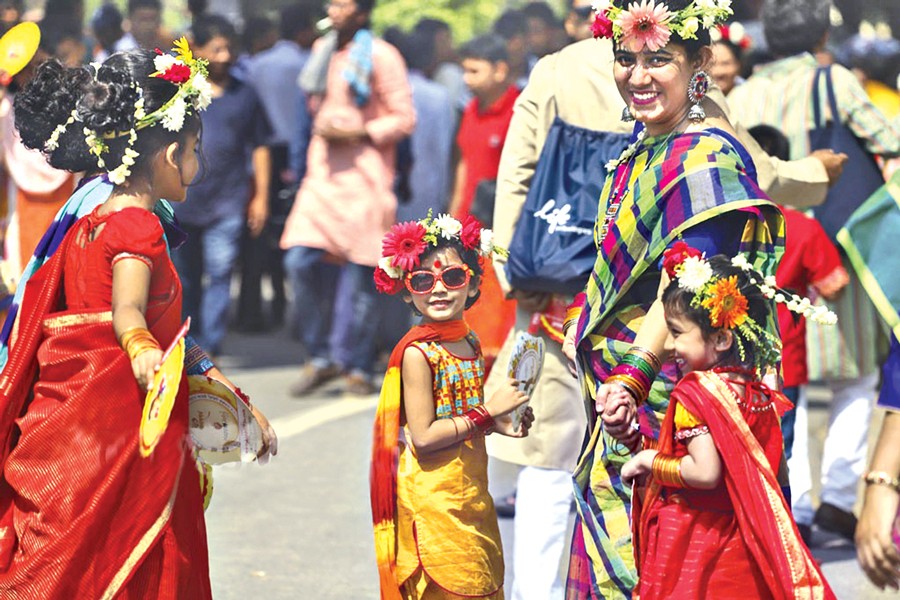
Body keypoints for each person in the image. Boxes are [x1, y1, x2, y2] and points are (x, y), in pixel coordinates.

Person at [560, 2, 785, 596]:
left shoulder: (704, 158)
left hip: (666, 406)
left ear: (700, 64)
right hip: (616, 397)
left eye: (659, 60)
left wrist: (633, 376)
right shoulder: (643, 145)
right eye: (626, 59)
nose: (638, 76)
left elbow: (686, 286)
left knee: (665, 566)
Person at [0, 44, 215, 597]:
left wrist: (211, 377)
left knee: (69, 563)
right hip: (105, 433)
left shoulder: (87, 217)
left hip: (73, 421)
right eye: (195, 151)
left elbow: (129, 318)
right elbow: (127, 312)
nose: (196, 166)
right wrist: (142, 349)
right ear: (170, 154)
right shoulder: (137, 227)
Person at [728, 0, 900, 541]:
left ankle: (794, 504)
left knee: (780, 384)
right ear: (822, 32)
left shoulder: (741, 93)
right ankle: (841, 497)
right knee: (854, 379)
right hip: (833, 250)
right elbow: (889, 142)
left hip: (762, 254)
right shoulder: (837, 81)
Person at [621, 249, 834, 598]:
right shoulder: (761, 392)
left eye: (676, 333)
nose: (670, 345)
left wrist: (647, 461)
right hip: (749, 542)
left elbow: (705, 473)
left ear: (721, 339)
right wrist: (640, 444)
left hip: (701, 543)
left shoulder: (697, 392)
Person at [369, 213, 534, 599]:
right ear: (407, 291)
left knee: (481, 580)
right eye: (423, 280)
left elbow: (463, 415)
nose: (438, 290)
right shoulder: (418, 353)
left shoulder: (469, 341)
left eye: (453, 278)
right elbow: (424, 437)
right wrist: (487, 412)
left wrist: (503, 423)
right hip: (433, 500)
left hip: (470, 491)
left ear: (474, 283)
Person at [282, 0, 414, 396]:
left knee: (361, 280)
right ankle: (320, 356)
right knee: (297, 262)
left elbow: (405, 117)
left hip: (366, 182)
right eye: (332, 3)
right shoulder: (324, 51)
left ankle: (357, 364)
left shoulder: (381, 55)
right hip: (321, 179)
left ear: (362, 12)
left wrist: (358, 134)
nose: (333, 9)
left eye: (343, 4)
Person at [171, 15, 271, 356]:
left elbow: (260, 146)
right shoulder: (181, 92)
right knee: (184, 280)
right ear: (196, 49)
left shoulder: (246, 94)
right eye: (216, 49)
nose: (225, 56)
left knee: (220, 274)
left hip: (228, 201)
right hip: (183, 200)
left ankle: (208, 345)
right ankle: (186, 340)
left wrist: (261, 198)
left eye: (229, 48)